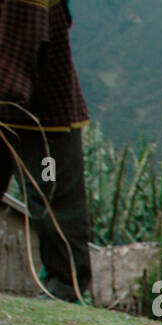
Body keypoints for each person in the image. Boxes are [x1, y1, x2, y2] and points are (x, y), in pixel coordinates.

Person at [0, 0, 93, 303]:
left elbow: (23, 36)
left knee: (55, 201)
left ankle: (65, 288)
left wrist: (6, 93)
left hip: (43, 109)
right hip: (11, 98)